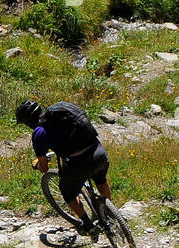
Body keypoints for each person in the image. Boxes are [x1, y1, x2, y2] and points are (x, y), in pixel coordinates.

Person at [15, 100, 111, 239]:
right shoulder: (61, 111)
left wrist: (39, 164)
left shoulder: (39, 133)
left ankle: (88, 226)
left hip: (79, 163)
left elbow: (44, 169)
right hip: (99, 151)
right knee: (100, 178)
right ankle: (109, 214)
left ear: (28, 122)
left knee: (68, 192)